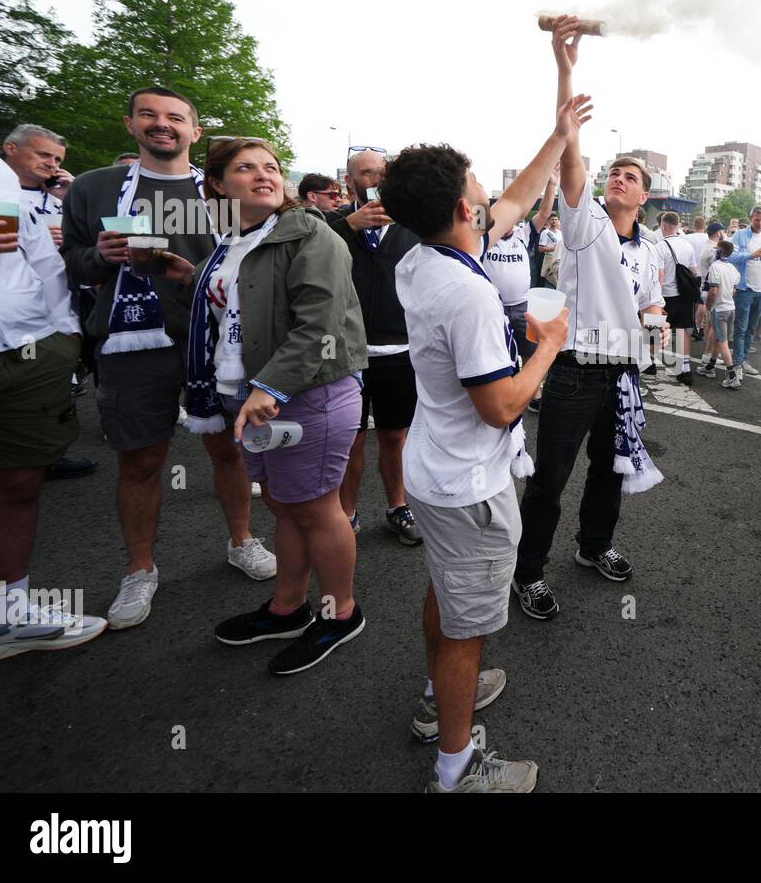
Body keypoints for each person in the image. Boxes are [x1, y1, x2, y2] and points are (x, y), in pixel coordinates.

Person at [384, 98, 587, 792]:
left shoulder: (424, 253)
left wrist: (561, 133)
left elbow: (522, 193)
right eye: (478, 190)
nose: (489, 197)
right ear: (466, 211)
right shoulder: (463, 293)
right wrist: (548, 348)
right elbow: (501, 406)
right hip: (469, 482)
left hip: (434, 469)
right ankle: (457, 765)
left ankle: (434, 700)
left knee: (446, 590)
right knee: (467, 627)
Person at [60, 86, 274, 630]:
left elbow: (242, 264)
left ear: (194, 132)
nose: (163, 125)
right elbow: (71, 267)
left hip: (211, 340)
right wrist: (98, 257)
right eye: (149, 115)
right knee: (141, 460)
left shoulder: (220, 191)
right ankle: (140, 568)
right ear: (130, 123)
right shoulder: (94, 187)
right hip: (131, 345)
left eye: (176, 118)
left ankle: (242, 540)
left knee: (229, 450)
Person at [513, 16, 666, 621]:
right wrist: (565, 69)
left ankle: (593, 546)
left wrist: (653, 317)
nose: (618, 179)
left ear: (645, 195)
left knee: (609, 470)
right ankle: (527, 574)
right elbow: (569, 152)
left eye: (631, 177)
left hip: (622, 374)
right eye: (615, 173)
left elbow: (653, 303)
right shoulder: (586, 222)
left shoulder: (653, 248)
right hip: (575, 371)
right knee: (550, 478)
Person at [196, 138, 369, 675]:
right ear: (220, 186)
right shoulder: (232, 240)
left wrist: (271, 387)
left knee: (318, 508)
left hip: (307, 395)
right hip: (251, 397)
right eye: (245, 168)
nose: (263, 175)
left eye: (270, 167)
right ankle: (287, 608)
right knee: (283, 501)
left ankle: (340, 612)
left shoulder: (309, 232)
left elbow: (319, 324)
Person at [0, 151, 107, 664]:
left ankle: (0, 616)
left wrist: (64, 333)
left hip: (31, 349)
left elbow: (39, 255)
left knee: (15, 481)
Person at [329, 150, 423, 544]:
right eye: (366, 173)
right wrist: (349, 225)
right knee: (349, 438)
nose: (376, 179)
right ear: (350, 182)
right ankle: (345, 513)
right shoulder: (330, 223)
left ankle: (397, 506)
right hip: (346, 350)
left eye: (382, 173)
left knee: (394, 436)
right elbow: (303, 255)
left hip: (398, 350)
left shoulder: (412, 224)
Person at [0, 124, 97, 480]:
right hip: (1, 320)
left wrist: (70, 197)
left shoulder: (58, 197)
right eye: (44, 155)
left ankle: (48, 454)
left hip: (58, 310)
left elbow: (86, 249)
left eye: (57, 158)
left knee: (54, 388)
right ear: (10, 149)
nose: (52, 164)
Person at [485, 175, 557, 413]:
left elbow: (544, 213)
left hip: (521, 305)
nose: (507, 225)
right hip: (492, 307)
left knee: (529, 351)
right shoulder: (483, 237)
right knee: (495, 355)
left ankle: (534, 394)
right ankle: (501, 395)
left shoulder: (523, 235)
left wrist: (551, 184)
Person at [726, 205, 761, 376]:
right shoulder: (740, 235)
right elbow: (730, 256)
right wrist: (751, 255)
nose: (760, 223)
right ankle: (738, 363)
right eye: (757, 219)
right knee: (741, 328)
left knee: (752, 329)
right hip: (745, 289)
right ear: (751, 219)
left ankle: (744, 360)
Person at [653, 210, 698, 385]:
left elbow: (660, 276)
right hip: (684, 296)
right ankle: (685, 368)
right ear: (678, 226)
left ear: (663, 226)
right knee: (682, 330)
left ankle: (649, 363)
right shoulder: (687, 246)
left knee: (655, 327)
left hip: (666, 295)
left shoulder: (660, 247)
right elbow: (694, 272)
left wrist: (657, 298)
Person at [699, 239, 741, 387]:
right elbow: (734, 290)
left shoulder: (715, 267)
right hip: (730, 308)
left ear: (719, 251)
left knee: (722, 342)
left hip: (719, 308)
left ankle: (731, 375)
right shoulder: (733, 268)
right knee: (719, 338)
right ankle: (710, 367)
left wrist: (709, 306)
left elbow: (713, 291)